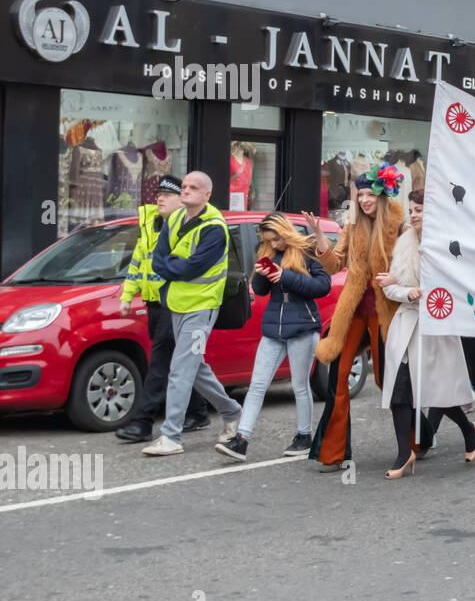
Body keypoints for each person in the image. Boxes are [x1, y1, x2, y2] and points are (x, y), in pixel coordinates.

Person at [303, 162, 406, 470]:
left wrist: (398, 280)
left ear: (382, 194)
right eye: (360, 194)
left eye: (369, 193)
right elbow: (335, 265)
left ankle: (417, 438)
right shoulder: (352, 226)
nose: (363, 200)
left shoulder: (399, 224)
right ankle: (332, 452)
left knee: (386, 379)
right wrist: (320, 236)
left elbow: (413, 269)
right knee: (338, 378)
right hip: (353, 313)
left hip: (387, 312)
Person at [374, 187, 475, 478]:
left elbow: (455, 287)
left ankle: (470, 432)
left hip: (436, 327)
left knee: (438, 391)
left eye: (419, 210)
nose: (414, 215)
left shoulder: (446, 244)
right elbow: (390, 287)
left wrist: (425, 291)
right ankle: (403, 454)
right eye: (412, 209)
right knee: (400, 392)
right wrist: (408, 292)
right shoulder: (405, 242)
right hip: (406, 325)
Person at [141, 171, 243, 456]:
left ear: (207, 195)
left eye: (193, 187)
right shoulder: (174, 218)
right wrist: (174, 264)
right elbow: (158, 259)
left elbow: (189, 268)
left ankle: (171, 436)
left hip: (201, 308)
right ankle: (232, 411)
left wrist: (173, 264)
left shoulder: (214, 228)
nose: (185, 191)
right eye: (184, 186)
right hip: (176, 304)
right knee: (194, 367)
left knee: (180, 369)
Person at [215, 213, 331, 461]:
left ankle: (304, 436)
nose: (275, 244)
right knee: (257, 385)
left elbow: (323, 286)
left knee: (300, 385)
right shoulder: (266, 252)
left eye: (277, 238)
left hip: (302, 326)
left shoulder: (306, 250)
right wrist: (261, 272)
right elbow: (259, 290)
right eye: (270, 239)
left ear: (285, 231)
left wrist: (285, 275)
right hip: (273, 328)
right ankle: (241, 439)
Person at [115, 175, 209, 443]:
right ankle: (199, 411)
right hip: (154, 304)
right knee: (187, 360)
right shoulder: (150, 226)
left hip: (178, 303)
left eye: (167, 195)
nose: (159, 198)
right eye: (158, 194)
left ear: (183, 201)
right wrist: (127, 296)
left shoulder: (189, 228)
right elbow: (137, 264)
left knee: (160, 362)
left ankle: (142, 422)